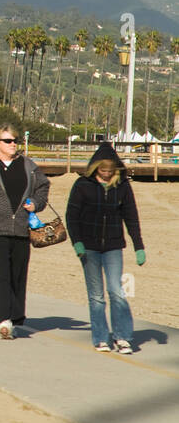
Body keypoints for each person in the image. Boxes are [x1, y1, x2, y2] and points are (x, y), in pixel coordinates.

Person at [0, 123, 50, 339]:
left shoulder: (27, 165)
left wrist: (35, 202)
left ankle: (16, 316)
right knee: (2, 275)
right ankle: (4, 320)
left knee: (18, 275)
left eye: (15, 140)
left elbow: (43, 186)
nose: (13, 144)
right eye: (8, 140)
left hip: (22, 228)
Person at [66, 143, 146, 354]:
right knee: (97, 296)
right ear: (95, 168)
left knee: (117, 291)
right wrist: (77, 242)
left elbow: (131, 217)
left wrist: (139, 246)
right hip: (88, 247)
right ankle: (101, 338)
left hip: (113, 246)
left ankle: (123, 337)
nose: (107, 173)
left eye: (111, 170)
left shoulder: (122, 187)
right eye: (103, 170)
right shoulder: (82, 185)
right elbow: (71, 216)